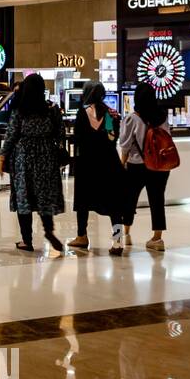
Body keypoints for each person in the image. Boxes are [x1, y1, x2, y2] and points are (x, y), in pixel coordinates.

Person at [0, 72, 66, 256]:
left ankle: (26, 240)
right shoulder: (52, 109)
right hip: (46, 156)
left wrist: (2, 156)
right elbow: (60, 134)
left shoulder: (20, 110)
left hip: (23, 157)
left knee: (24, 198)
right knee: (44, 196)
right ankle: (49, 231)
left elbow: (11, 135)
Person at [68, 81, 125, 255]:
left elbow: (78, 138)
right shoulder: (110, 114)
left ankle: (82, 236)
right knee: (114, 204)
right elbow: (111, 138)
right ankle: (117, 241)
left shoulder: (83, 113)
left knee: (83, 201)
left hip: (87, 164)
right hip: (109, 163)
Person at [119, 82, 172, 251]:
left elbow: (125, 146)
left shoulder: (132, 118)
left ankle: (125, 234)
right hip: (159, 166)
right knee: (157, 200)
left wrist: (122, 164)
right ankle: (157, 239)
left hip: (137, 165)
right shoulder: (162, 117)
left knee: (129, 199)